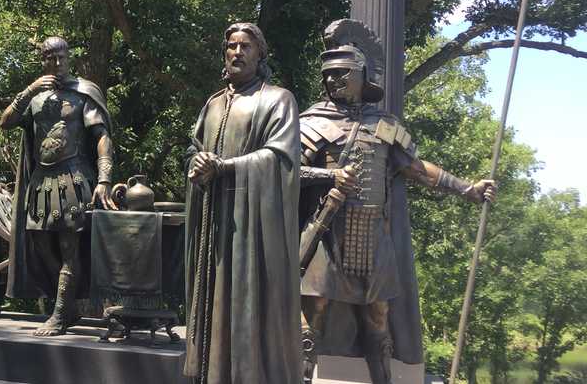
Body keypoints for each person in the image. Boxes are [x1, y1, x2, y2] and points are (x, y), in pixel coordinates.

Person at [298, 20, 495, 384]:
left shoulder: (384, 124)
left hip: (374, 236)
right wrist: (329, 177)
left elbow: (417, 169)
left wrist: (468, 189)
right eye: (328, 75)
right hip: (327, 234)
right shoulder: (311, 122)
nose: (333, 80)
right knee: (312, 317)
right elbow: (287, 172)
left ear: (362, 75)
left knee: (378, 319)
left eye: (341, 73)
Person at [184, 22, 301, 382]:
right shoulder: (213, 103)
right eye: (231, 46)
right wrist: (197, 163)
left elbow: (281, 158)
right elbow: (193, 148)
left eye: (245, 46)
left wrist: (225, 167)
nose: (236, 52)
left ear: (260, 54)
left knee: (247, 303)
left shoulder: (278, 100)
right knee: (212, 301)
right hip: (213, 221)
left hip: (252, 229)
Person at [0, 36, 116, 336]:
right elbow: (6, 121)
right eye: (51, 58)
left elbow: (102, 136)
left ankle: (61, 313)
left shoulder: (83, 92)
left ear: (69, 58)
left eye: (62, 57)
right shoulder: (35, 97)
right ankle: (67, 306)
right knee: (40, 246)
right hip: (41, 180)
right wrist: (29, 91)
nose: (58, 63)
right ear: (44, 60)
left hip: (73, 177)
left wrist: (104, 178)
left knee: (69, 248)